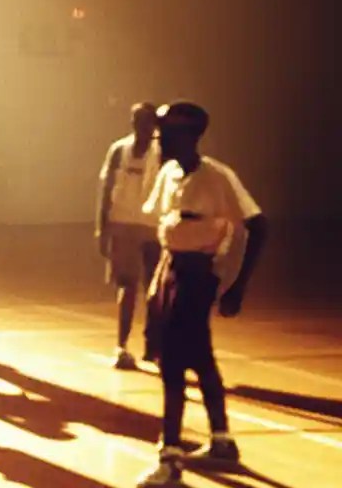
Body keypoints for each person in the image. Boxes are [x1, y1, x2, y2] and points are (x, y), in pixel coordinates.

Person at [135, 102, 268, 488]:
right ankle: (222, 441)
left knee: (173, 364)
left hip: (197, 277)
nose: (160, 141)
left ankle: (170, 457)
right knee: (199, 357)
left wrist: (237, 284)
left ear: (190, 136)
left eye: (167, 134)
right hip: (171, 270)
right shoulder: (168, 174)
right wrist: (158, 281)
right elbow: (165, 225)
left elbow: (259, 226)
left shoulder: (217, 177)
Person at [96, 102, 164, 370]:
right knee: (127, 285)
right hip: (123, 223)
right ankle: (121, 345)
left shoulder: (162, 153)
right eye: (137, 121)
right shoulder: (119, 150)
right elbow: (105, 188)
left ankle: (152, 345)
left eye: (146, 121)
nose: (141, 127)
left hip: (152, 224)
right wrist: (102, 227)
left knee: (154, 287)